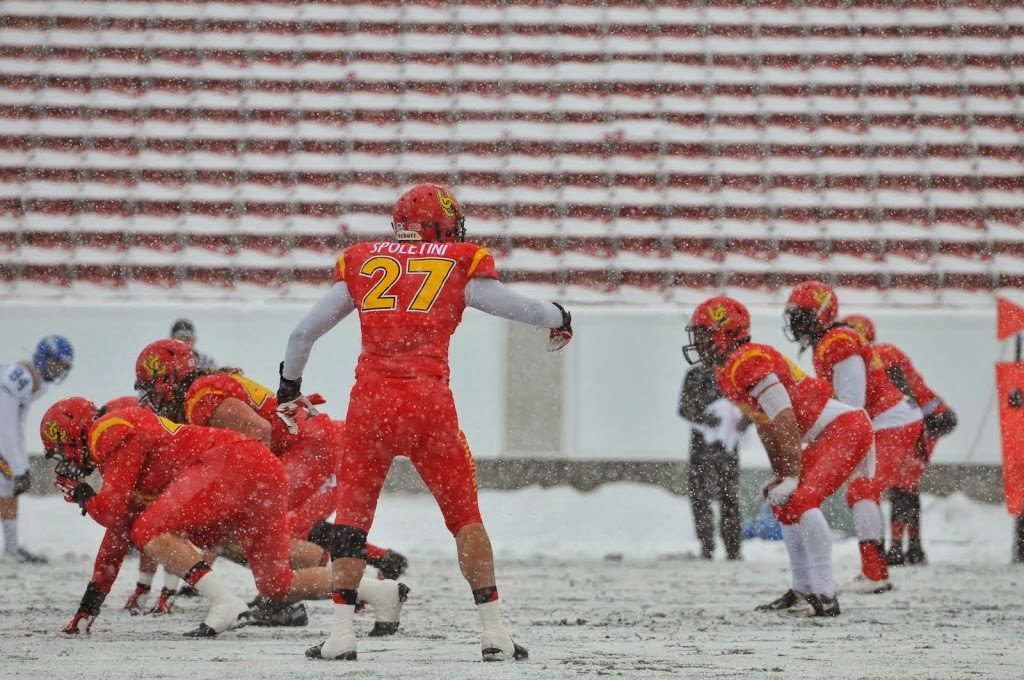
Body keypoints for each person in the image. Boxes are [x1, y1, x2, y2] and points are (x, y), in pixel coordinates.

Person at [277, 183, 573, 661]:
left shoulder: (360, 259)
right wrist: (558, 315)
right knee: (464, 518)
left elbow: (302, 333)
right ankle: (493, 632)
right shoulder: (459, 260)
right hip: (428, 403)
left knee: (351, 521)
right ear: (441, 224)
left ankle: (341, 635)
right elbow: (518, 307)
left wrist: (289, 387)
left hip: (370, 403)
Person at [684, 296, 874, 617]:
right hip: (825, 433)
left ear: (727, 332)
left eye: (704, 333)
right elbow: (766, 425)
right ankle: (803, 590)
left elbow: (783, 415)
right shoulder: (727, 370)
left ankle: (825, 594)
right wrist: (780, 474)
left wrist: (792, 476)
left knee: (801, 499)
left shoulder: (748, 360)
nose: (698, 341)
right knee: (784, 503)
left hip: (844, 428)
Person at [784, 281, 923, 594]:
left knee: (862, 489)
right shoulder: (830, 341)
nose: (795, 323)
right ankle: (874, 571)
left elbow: (851, 402)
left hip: (889, 420)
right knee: (860, 490)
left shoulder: (838, 341)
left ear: (822, 314)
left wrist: (822, 437)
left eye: (801, 315)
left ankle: (876, 575)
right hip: (880, 420)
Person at [844, 313, 957, 566]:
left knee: (899, 484)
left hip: (921, 419)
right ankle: (913, 548)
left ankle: (897, 548)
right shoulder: (878, 354)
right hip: (925, 417)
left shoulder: (879, 355)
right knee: (905, 484)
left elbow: (898, 395)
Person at [1, 335, 74, 563]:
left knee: (7, 486)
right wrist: (19, 467)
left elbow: (14, 426)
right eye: (55, 363)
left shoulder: (29, 379)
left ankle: (12, 548)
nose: (58, 370)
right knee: (8, 483)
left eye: (62, 366)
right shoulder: (19, 380)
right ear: (43, 358)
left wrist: (19, 464)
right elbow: (5, 426)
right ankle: (12, 549)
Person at [677, 362, 749, 560]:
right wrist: (703, 418)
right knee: (700, 496)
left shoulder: (735, 372)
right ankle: (706, 545)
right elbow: (684, 407)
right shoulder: (696, 374)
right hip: (702, 447)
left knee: (729, 497)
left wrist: (745, 419)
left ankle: (733, 548)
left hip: (727, 448)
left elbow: (752, 404)